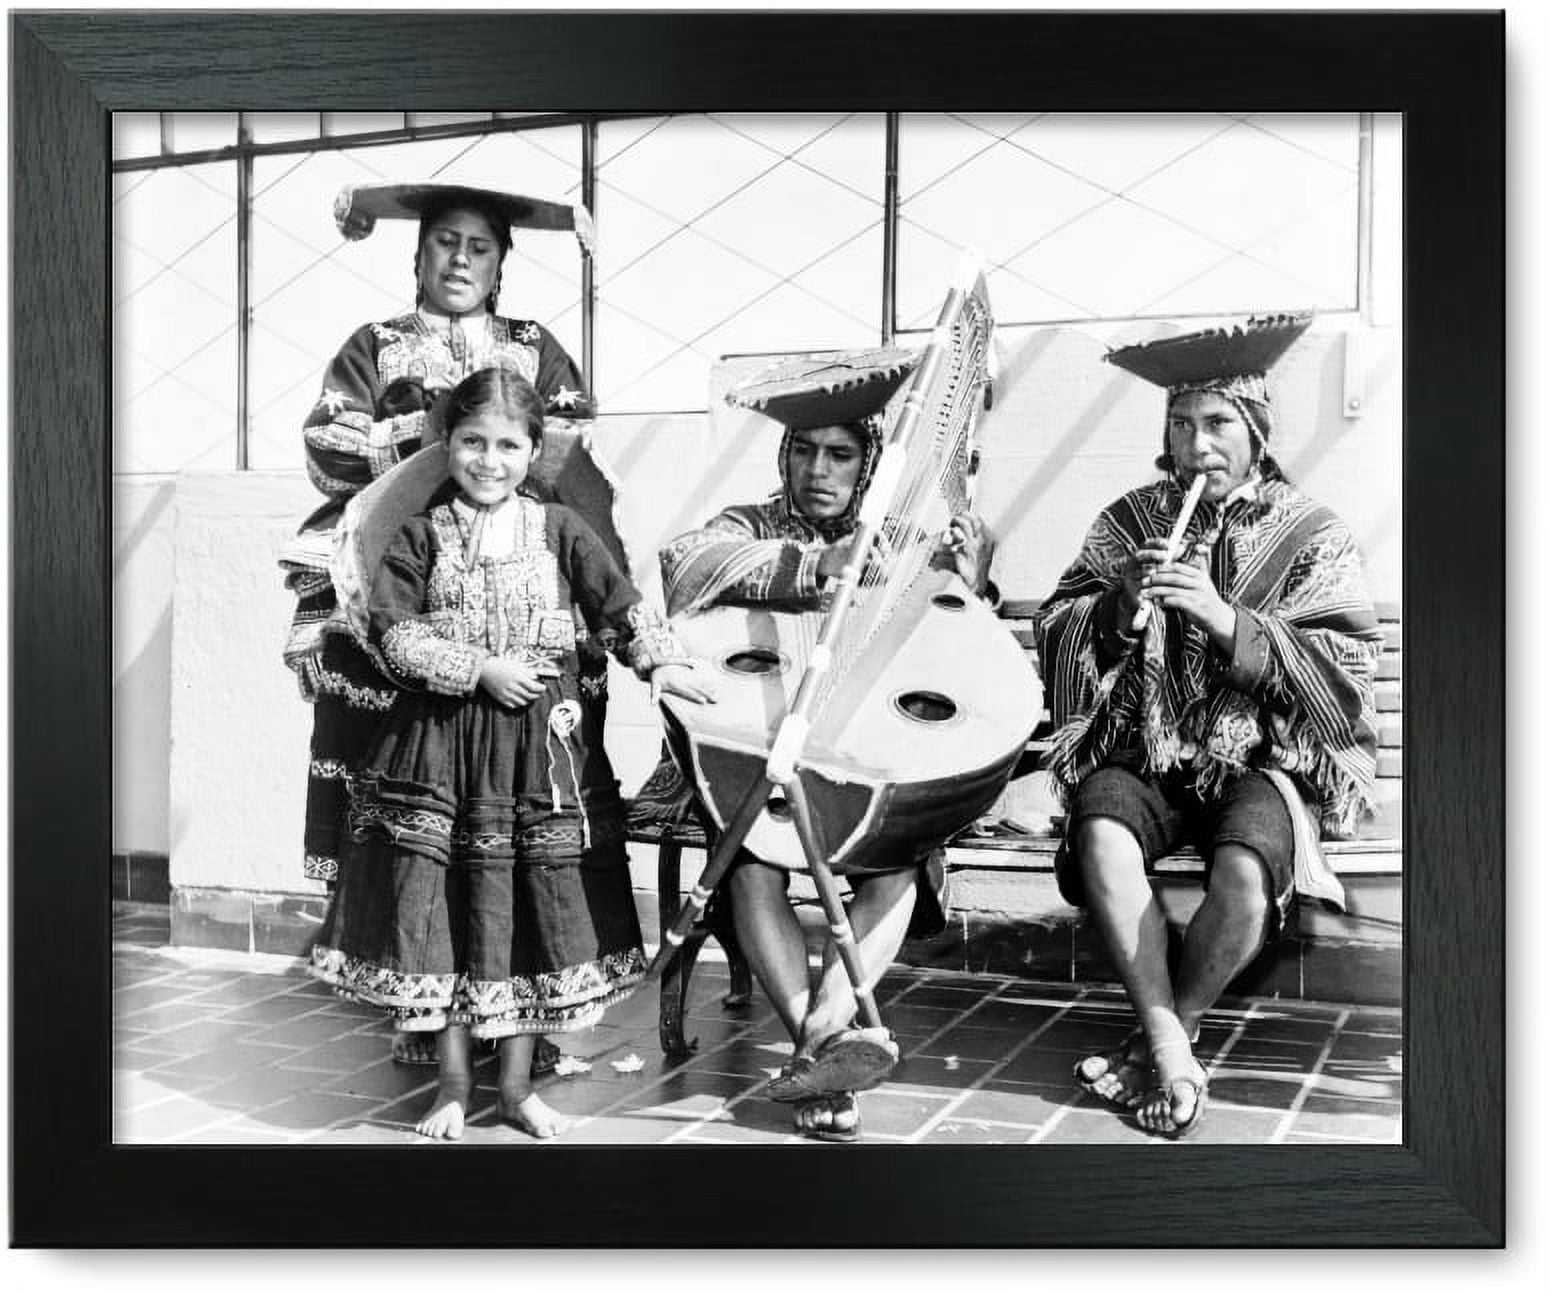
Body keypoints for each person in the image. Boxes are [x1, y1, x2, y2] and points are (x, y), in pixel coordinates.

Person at [307, 365, 714, 1140]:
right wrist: (477, 670)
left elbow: (618, 604)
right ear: (446, 444)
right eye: (471, 442)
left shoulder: (560, 530)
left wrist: (662, 662)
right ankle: (455, 1085)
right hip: (441, 749)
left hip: (540, 757)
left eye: (506, 444)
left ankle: (521, 1085)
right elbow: (393, 630)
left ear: (533, 451)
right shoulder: (422, 535)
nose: (488, 460)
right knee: (451, 913)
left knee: (532, 909)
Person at [1034, 314, 1383, 1139]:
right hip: (1142, 752)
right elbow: (1059, 627)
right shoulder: (1128, 520)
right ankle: (1172, 1042)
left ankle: (1166, 1031)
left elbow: (1344, 671)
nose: (1199, 445)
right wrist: (1119, 607)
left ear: (1257, 433)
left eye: (1219, 424)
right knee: (1103, 834)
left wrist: (1227, 622)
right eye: (1182, 426)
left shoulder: (1311, 532)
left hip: (1261, 759)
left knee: (1244, 872)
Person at [640, 348, 998, 1143]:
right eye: (803, 451)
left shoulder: (907, 536)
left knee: (899, 861)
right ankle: (828, 1042)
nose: (818, 469)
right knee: (752, 855)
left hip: (867, 770)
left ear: (869, 460)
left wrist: (965, 577)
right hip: (754, 760)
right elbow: (684, 561)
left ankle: (819, 1039)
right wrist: (816, 562)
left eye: (839, 453)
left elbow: (957, 648)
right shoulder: (750, 525)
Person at [279, 182, 597, 1070]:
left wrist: (489, 456)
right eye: (444, 243)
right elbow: (328, 444)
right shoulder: (373, 345)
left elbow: (568, 437)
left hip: (516, 582)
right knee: (406, 804)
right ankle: (415, 997)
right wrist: (430, 431)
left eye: (479, 247)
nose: (460, 259)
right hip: (399, 583)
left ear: (501, 264)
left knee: (519, 799)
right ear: (416, 256)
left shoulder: (536, 349)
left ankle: (522, 996)